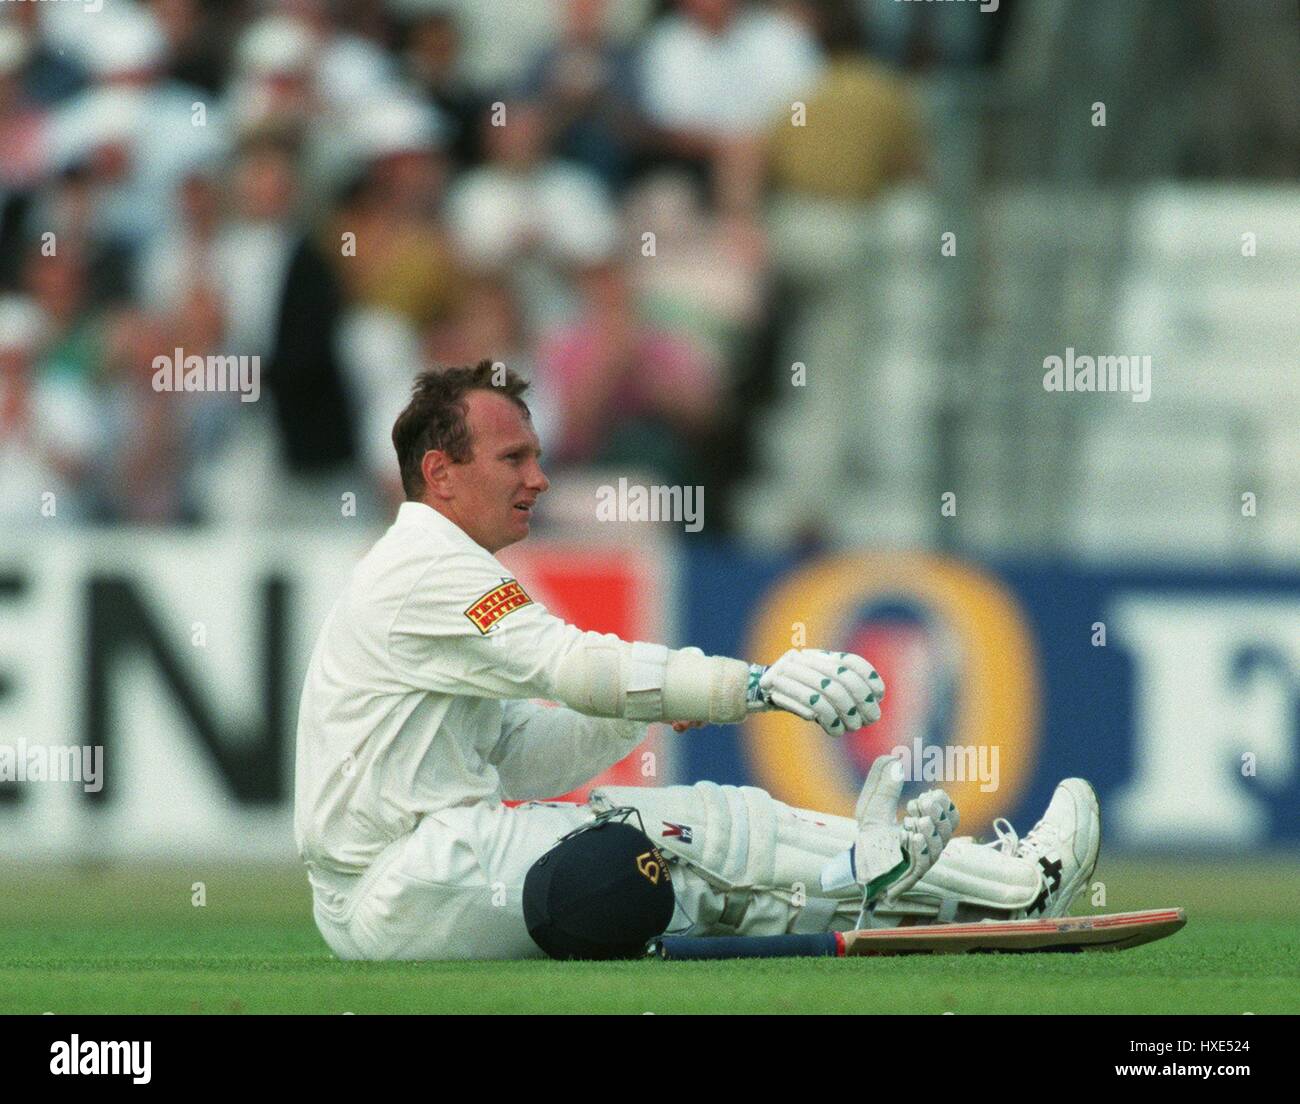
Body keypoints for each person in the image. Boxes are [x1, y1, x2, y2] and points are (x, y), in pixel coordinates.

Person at [293, 361, 1100, 960]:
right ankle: (1012, 888)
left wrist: (656, 701)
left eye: (537, 456)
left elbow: (514, 761)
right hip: (408, 877)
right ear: (440, 474)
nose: (540, 479)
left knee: (692, 849)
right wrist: (744, 687)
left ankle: (942, 897)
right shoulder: (427, 566)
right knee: (694, 834)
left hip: (406, 884)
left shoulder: (432, 566)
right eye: (514, 460)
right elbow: (573, 666)